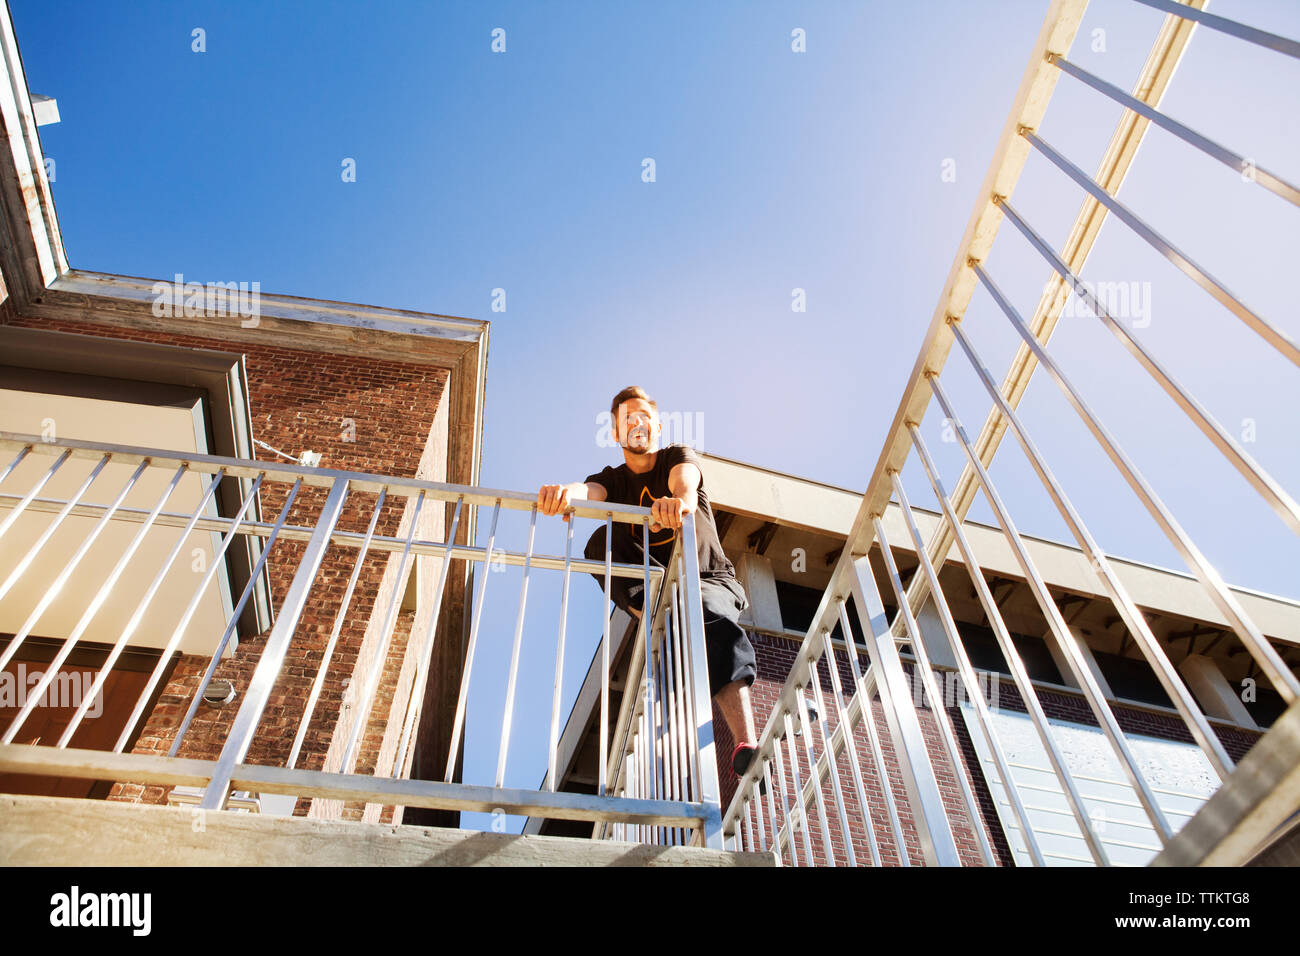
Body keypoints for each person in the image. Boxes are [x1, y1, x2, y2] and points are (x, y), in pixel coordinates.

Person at [536, 385, 765, 792]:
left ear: (656, 425)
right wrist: (562, 495)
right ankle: (653, 614)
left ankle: (748, 743)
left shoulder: (676, 457)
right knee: (599, 542)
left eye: (643, 416)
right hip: (661, 589)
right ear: (617, 433)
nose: (635, 423)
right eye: (627, 419)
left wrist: (678, 502)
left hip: (708, 578)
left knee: (708, 615)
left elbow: (686, 484)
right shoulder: (614, 479)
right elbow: (588, 493)